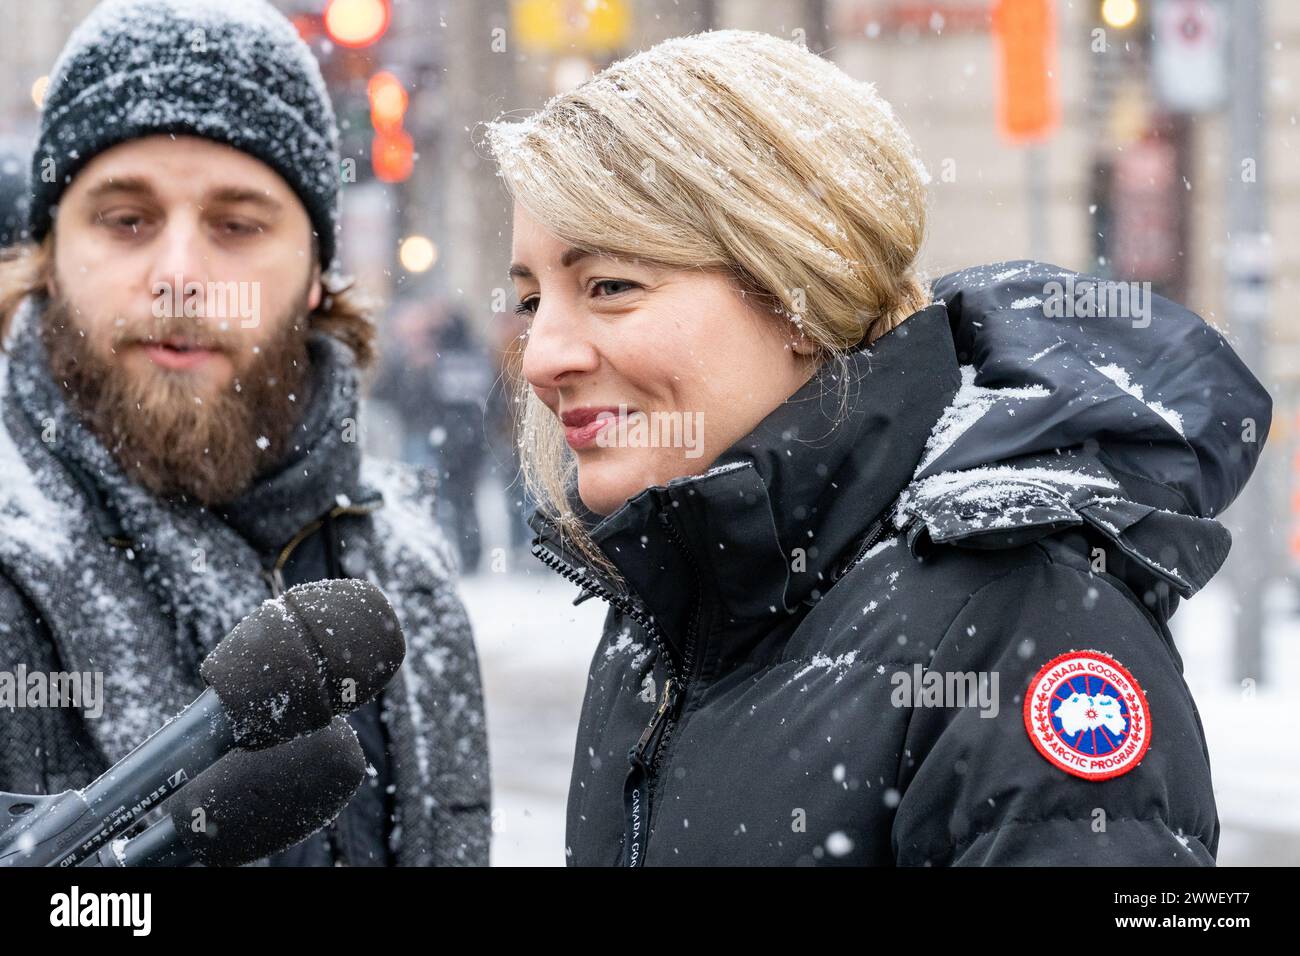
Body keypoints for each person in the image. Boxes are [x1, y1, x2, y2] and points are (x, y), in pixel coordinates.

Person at [485, 30, 1272, 866]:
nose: (542, 356)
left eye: (611, 286)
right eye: (533, 300)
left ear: (795, 289)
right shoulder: (673, 603)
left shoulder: (1019, 628)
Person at [0, 0, 489, 866]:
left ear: (314, 274)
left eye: (237, 224)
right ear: (48, 253)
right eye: (126, 219)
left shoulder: (408, 579)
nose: (182, 276)